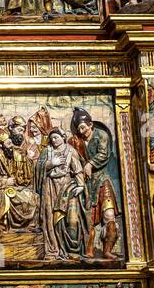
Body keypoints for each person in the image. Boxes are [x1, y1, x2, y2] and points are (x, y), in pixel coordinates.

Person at [69, 107, 120, 260]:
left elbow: (103, 154)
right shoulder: (77, 141)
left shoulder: (101, 135)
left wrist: (90, 164)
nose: (82, 131)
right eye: (79, 129)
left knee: (109, 215)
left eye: (83, 127)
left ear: (90, 124)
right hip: (86, 183)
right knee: (87, 219)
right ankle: (88, 251)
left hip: (102, 180)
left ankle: (107, 250)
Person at [37, 126, 88, 260]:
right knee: (50, 217)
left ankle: (70, 249)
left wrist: (81, 185)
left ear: (63, 137)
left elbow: (77, 169)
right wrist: (51, 163)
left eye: (56, 137)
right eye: (51, 138)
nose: (54, 140)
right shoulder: (47, 151)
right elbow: (38, 168)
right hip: (50, 187)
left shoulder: (71, 151)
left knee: (70, 219)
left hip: (66, 187)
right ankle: (54, 248)